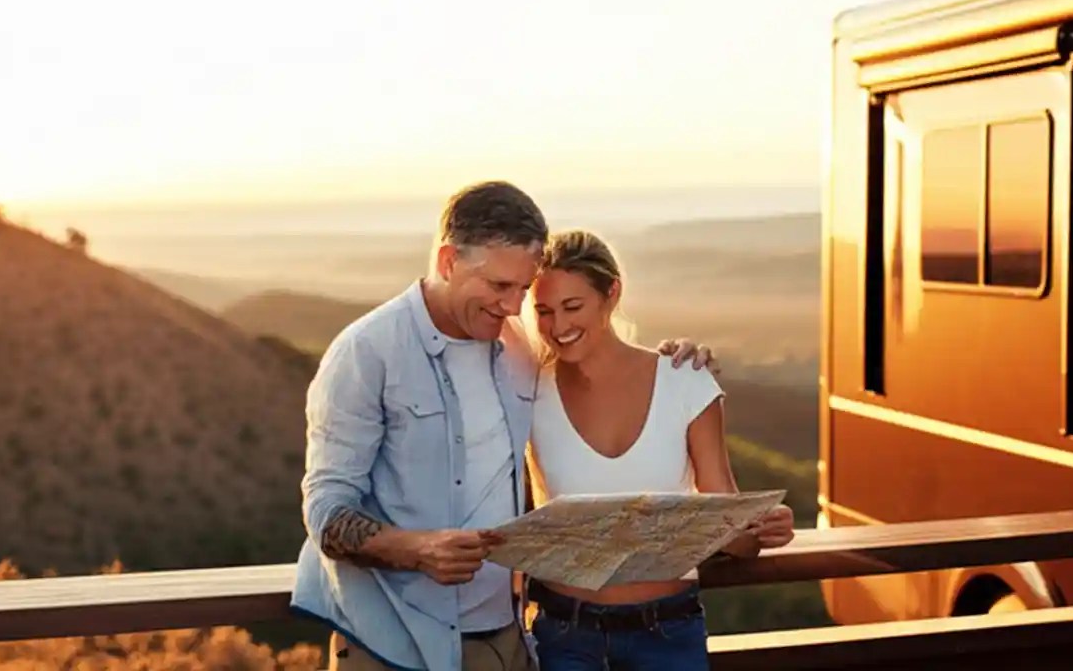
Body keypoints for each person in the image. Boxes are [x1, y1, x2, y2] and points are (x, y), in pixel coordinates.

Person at [291, 181, 718, 671]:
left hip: (502, 640)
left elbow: (601, 366)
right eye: (499, 286)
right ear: (449, 261)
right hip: (391, 640)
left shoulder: (520, 352)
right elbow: (326, 512)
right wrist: (418, 550)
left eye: (522, 289)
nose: (514, 307)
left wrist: (678, 362)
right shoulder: (365, 352)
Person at [522, 229, 796, 671]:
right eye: (544, 311)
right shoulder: (526, 390)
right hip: (563, 635)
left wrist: (764, 529)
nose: (558, 326)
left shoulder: (684, 381)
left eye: (573, 307)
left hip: (666, 635)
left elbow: (728, 527)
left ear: (612, 294)